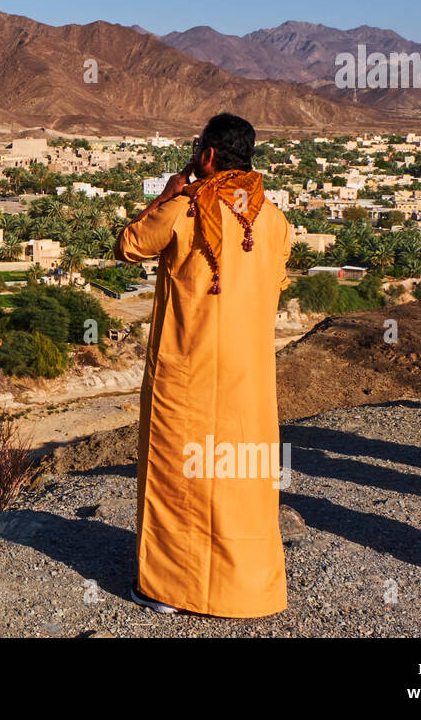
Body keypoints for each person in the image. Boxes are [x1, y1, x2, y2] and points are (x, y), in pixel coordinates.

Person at [114, 112, 291, 617]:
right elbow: (273, 286)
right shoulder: (274, 220)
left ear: (207, 156)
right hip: (249, 378)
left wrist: (168, 193)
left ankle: (169, 589)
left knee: (177, 477)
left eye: (198, 148)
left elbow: (130, 245)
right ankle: (250, 589)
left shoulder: (185, 208)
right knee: (242, 482)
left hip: (187, 372)